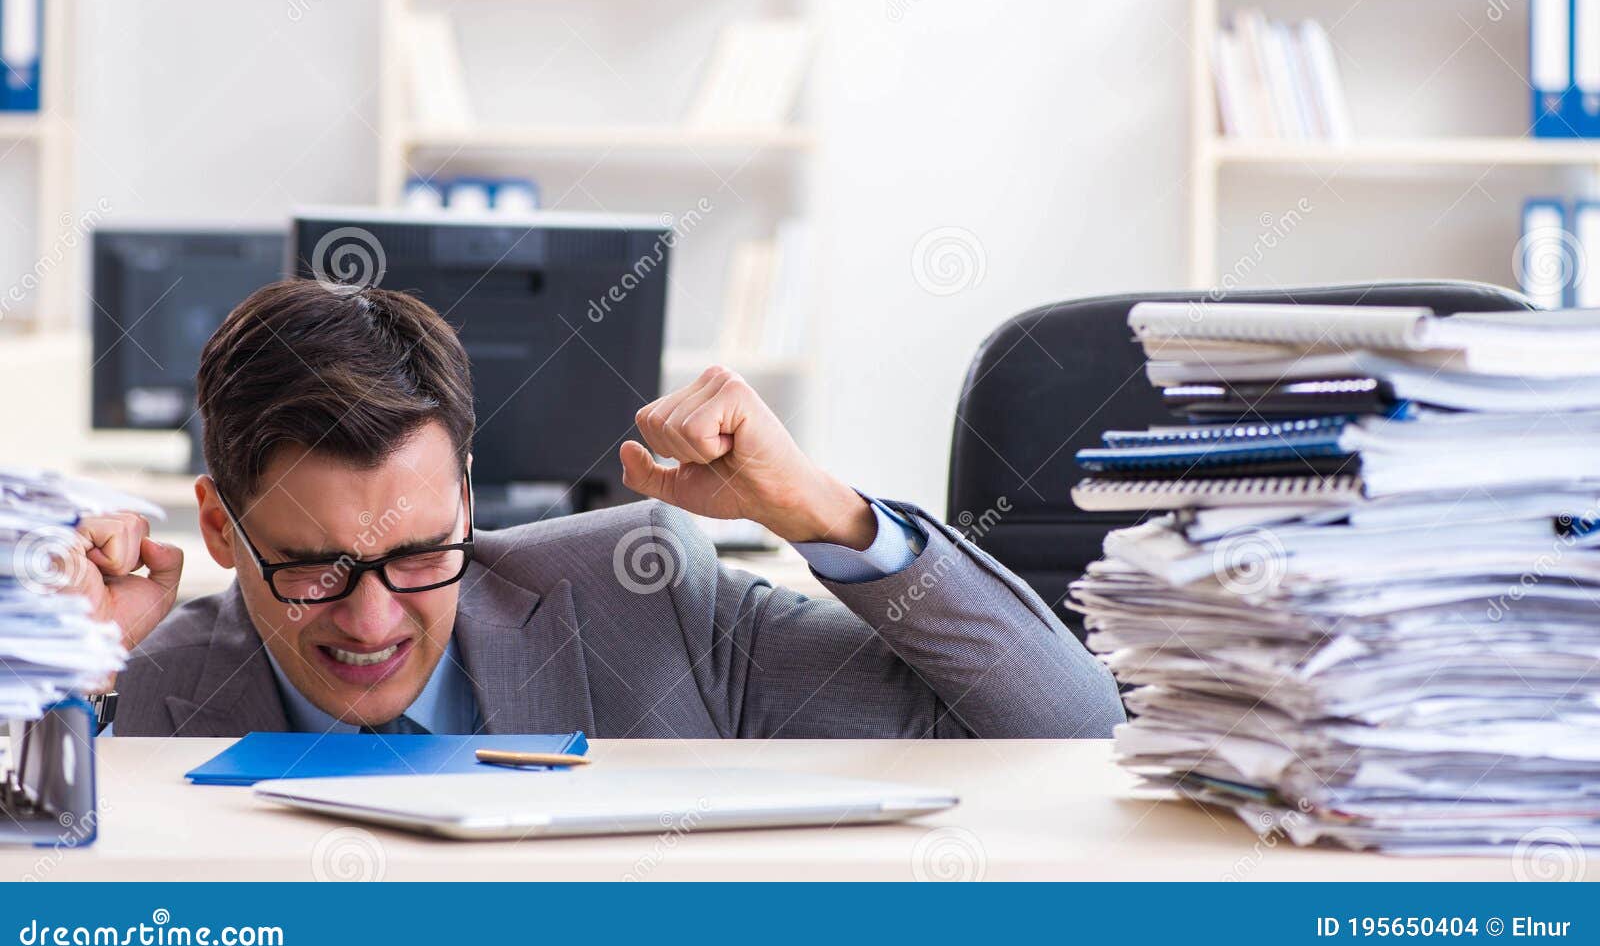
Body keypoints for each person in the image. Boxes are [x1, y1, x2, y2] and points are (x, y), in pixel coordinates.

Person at [76, 279, 1123, 737]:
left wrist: (823, 512)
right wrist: (57, 671)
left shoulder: (642, 605)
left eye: (417, 553)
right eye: (312, 568)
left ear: (467, 500)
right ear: (218, 528)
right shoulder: (136, 689)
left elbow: (1072, 726)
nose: (373, 618)